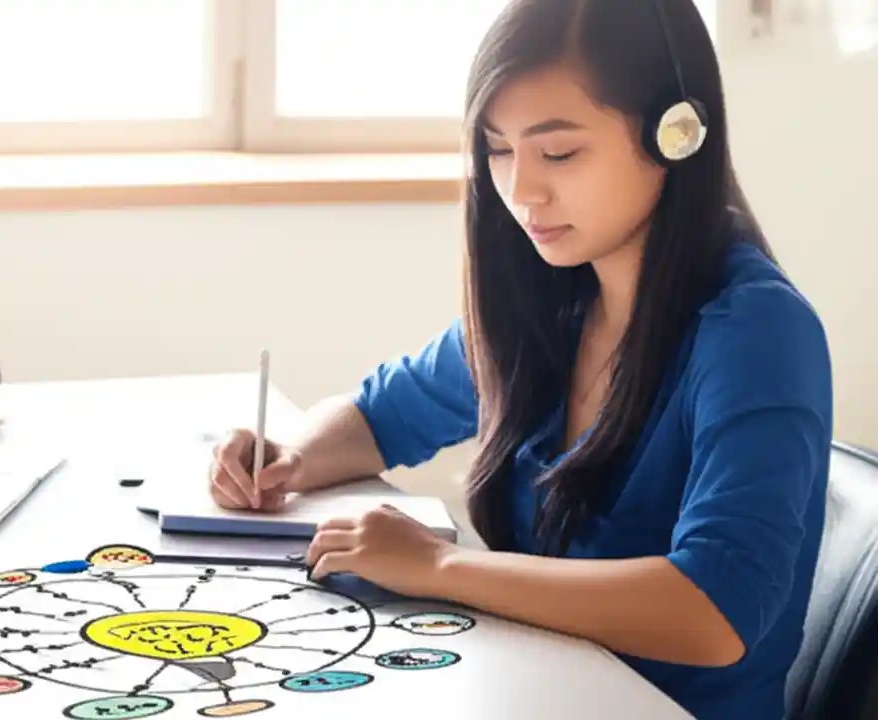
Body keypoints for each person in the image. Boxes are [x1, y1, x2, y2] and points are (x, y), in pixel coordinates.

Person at [206, 1, 833, 718]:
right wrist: (286, 456)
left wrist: (439, 566)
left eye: (559, 152)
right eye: (498, 150)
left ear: (677, 133)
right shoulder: (554, 296)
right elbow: (378, 416)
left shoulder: (757, 330)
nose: (521, 191)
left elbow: (716, 612)